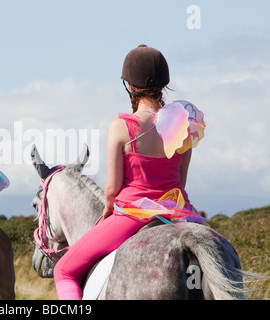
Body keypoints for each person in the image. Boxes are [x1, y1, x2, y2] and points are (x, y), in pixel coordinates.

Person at [53, 45, 206, 299]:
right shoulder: (184, 126)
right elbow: (182, 181)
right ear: (164, 84)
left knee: (64, 271)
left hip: (132, 215)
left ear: (130, 87)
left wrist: (107, 209)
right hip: (180, 212)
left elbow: (112, 190)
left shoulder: (121, 127)